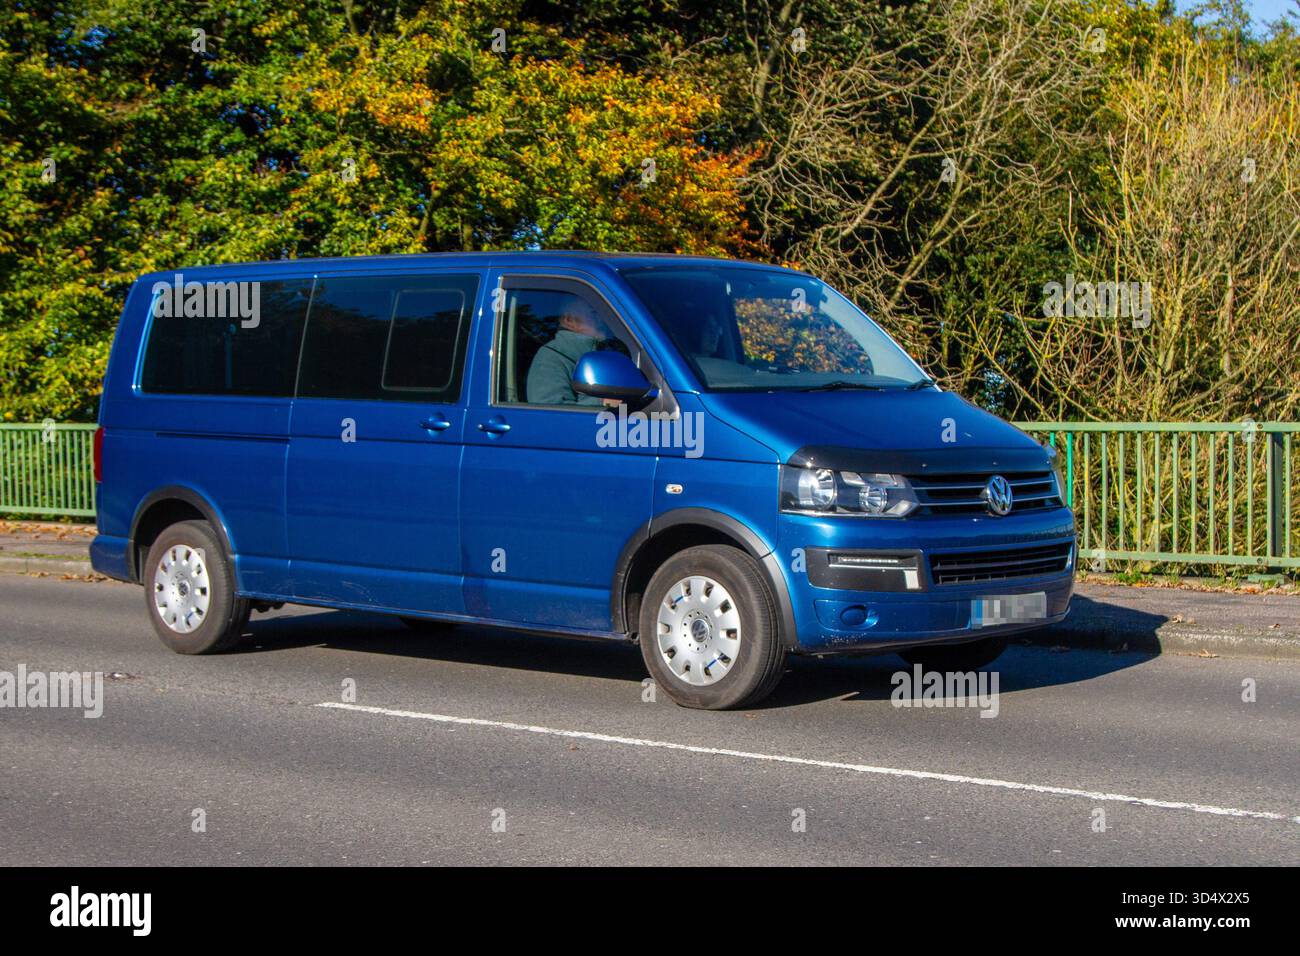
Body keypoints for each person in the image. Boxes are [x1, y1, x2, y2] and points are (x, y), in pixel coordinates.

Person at [526, 295, 609, 405]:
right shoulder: (551, 357)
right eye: (594, 313)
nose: (602, 320)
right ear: (569, 320)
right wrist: (603, 402)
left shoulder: (606, 352)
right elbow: (552, 416)